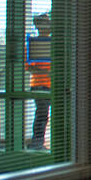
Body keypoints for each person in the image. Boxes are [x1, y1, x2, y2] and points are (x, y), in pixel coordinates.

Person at [26, 12, 52, 151]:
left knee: (43, 115)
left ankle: (38, 143)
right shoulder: (33, 45)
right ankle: (37, 144)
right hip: (40, 85)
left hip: (49, 84)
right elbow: (29, 67)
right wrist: (46, 72)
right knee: (42, 115)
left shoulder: (53, 44)